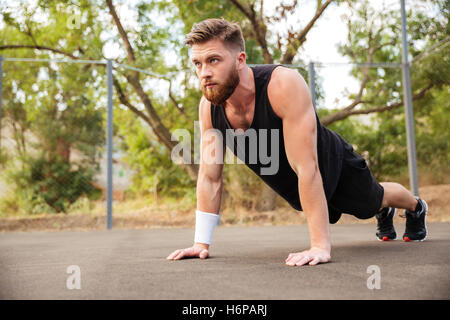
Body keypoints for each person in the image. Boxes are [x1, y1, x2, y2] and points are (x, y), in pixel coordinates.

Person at [166, 18, 428, 266]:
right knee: (340, 210)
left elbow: (307, 167)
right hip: (297, 183)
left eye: (213, 60)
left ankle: (415, 207)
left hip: (329, 163)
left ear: (240, 60)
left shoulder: (282, 84)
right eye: (198, 64)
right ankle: (383, 210)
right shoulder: (209, 107)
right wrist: (201, 244)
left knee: (372, 201)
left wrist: (319, 246)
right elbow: (210, 177)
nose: (204, 73)